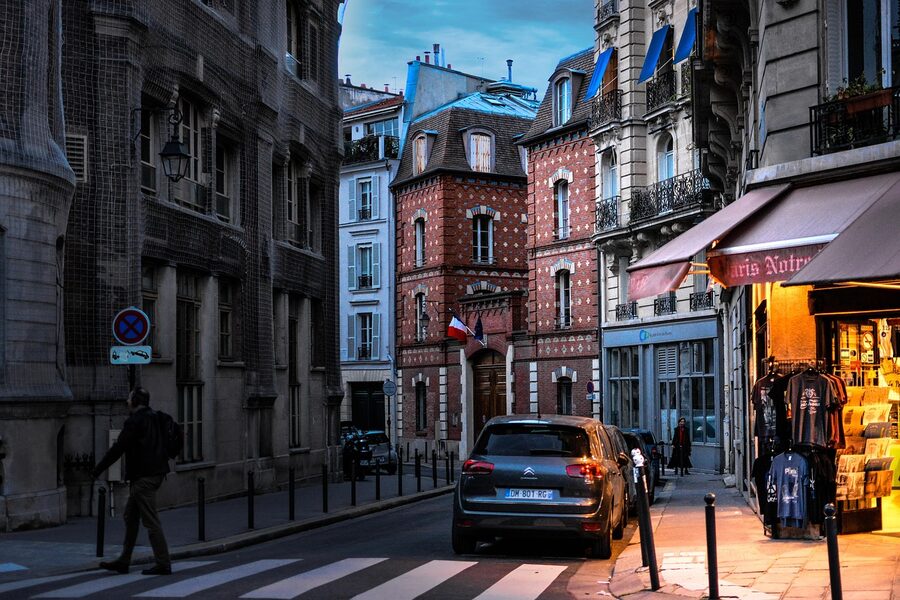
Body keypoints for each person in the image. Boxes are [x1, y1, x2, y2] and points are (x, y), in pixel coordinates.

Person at [92, 387, 172, 575]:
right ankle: (124, 560)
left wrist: (98, 469)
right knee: (130, 516)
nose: (127, 402)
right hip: (157, 473)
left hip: (144, 477)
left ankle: (163, 563)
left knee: (150, 521)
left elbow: (118, 448)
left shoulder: (134, 422)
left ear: (135, 401)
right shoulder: (156, 417)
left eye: (129, 399)